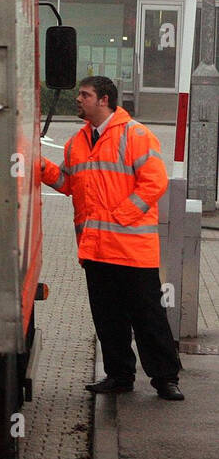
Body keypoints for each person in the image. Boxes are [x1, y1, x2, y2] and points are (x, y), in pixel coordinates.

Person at [40, 76, 184, 401]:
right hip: (95, 250)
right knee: (108, 319)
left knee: (148, 317)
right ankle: (119, 376)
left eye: (85, 94)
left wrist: (121, 216)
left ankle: (165, 379)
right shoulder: (77, 142)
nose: (78, 99)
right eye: (78, 93)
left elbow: (154, 182)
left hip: (132, 249)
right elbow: (69, 183)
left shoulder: (135, 135)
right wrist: (40, 167)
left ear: (104, 100)